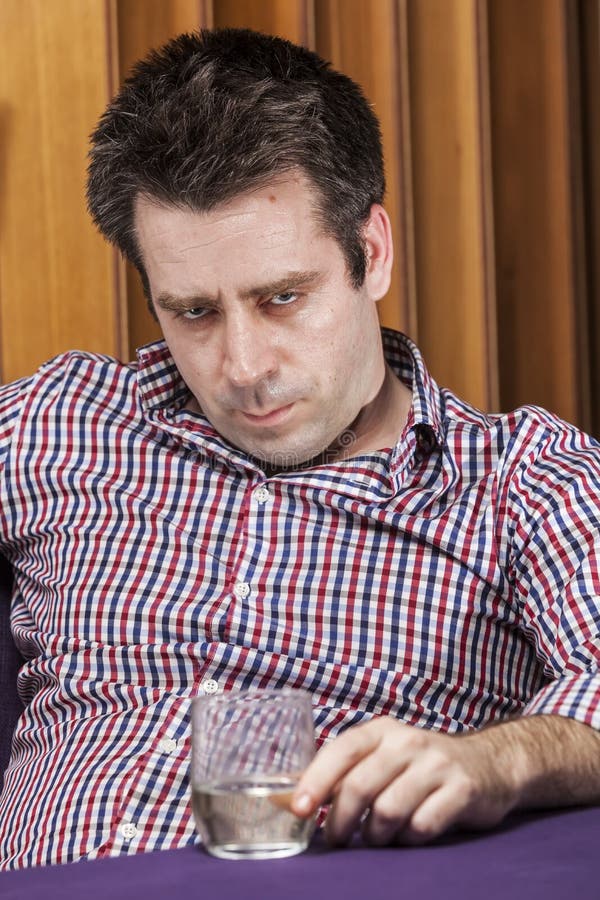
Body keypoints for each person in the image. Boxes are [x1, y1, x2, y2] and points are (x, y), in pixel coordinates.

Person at [0, 27, 599, 869]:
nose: (243, 369)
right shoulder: (61, 421)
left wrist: (495, 759)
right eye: (194, 312)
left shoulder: (520, 479)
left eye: (282, 297)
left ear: (373, 252)